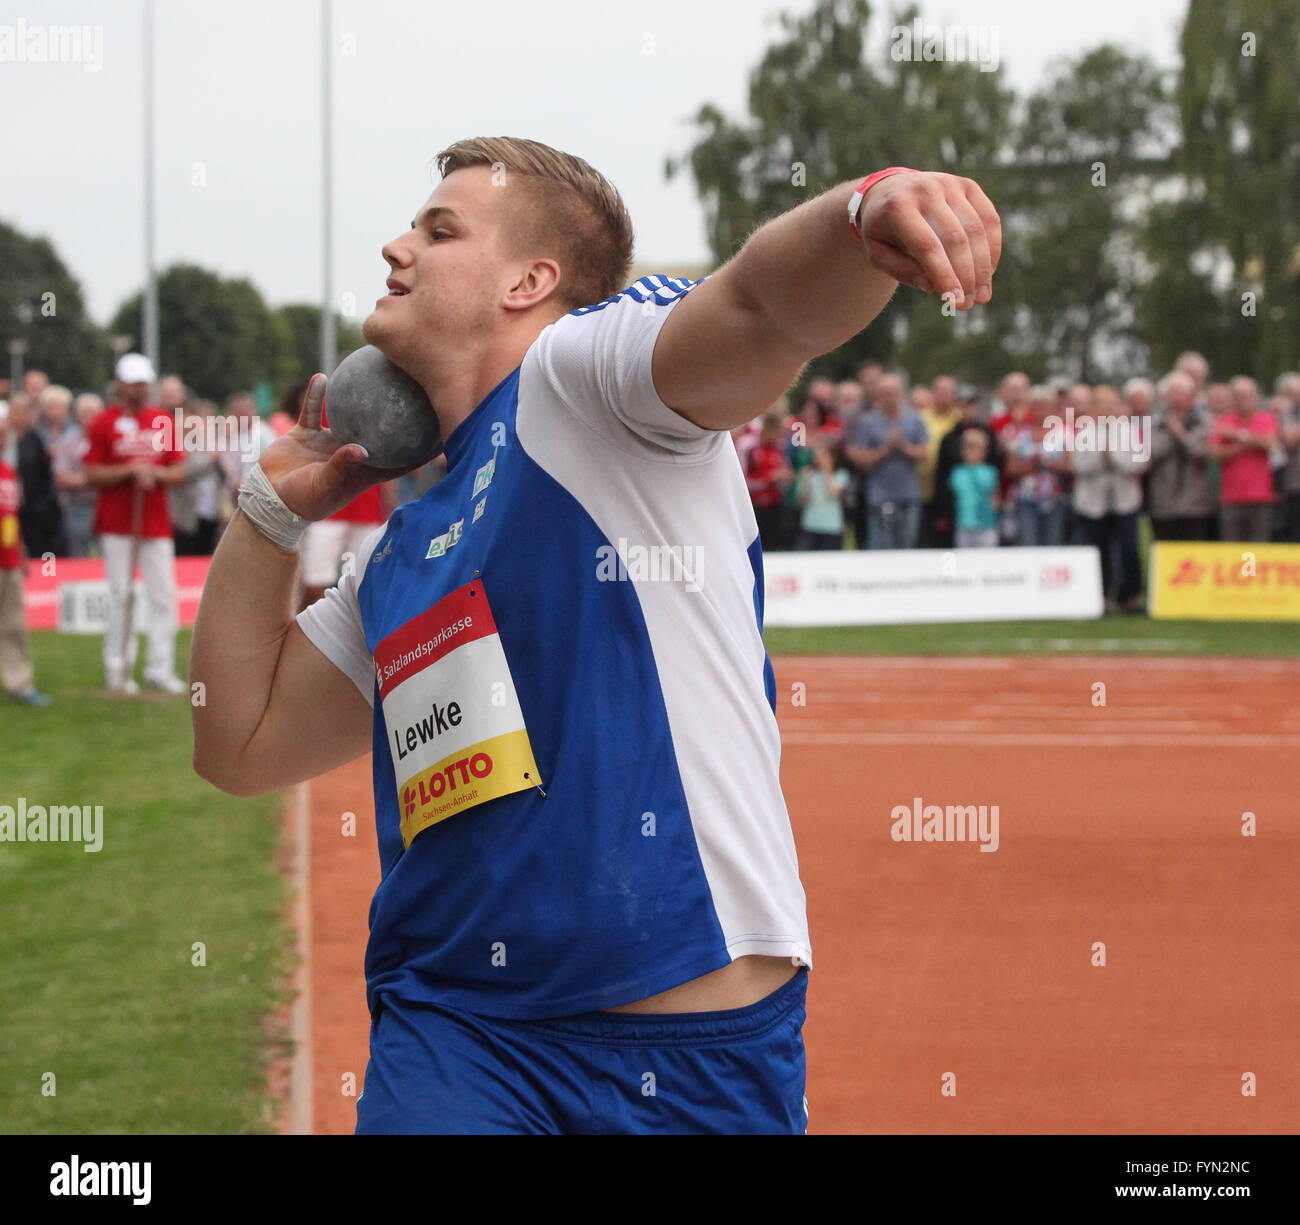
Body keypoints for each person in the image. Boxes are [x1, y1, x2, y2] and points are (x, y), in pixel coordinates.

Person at [190, 136, 1001, 1135]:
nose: (396, 247)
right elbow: (239, 740)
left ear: (532, 281)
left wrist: (865, 211)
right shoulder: (401, 560)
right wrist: (267, 515)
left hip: (691, 1053)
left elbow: (757, 307)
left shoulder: (585, 375)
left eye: (439, 229)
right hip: (457, 1032)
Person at [84, 353, 189, 695]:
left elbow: (179, 470)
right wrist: (128, 471)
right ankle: (119, 668)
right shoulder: (103, 422)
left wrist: (154, 473)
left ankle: (160, 668)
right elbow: (92, 473)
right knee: (121, 595)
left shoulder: (161, 420)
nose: (140, 389)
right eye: (133, 383)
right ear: (120, 385)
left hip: (155, 522)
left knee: (163, 596)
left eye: (144, 382)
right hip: (117, 523)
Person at [844, 372, 929, 549]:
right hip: (879, 497)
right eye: (885, 393)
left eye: (893, 392)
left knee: (907, 547)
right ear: (879, 395)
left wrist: (903, 446)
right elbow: (861, 459)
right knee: (880, 550)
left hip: (908, 496)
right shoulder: (868, 421)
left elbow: (925, 453)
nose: (889, 397)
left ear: (901, 393)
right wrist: (886, 449)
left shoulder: (915, 419)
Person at [0, 407, 49, 704]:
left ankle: (19, 683)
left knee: (14, 624)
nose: (3, 433)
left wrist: (20, 551)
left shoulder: (7, 471)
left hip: (8, 562)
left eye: (4, 428)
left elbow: (10, 516)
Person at [1210, 376, 1276, 542]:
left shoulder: (1266, 418)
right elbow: (1215, 454)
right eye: (1238, 396)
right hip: (1230, 498)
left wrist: (1238, 435)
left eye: (1246, 396)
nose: (1242, 401)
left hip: (1261, 497)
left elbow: (1269, 444)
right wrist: (1250, 442)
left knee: (1259, 549)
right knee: (1232, 550)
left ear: (1255, 396)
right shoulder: (1223, 421)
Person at [1148, 371, 1213, 540]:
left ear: (1192, 397)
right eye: (1171, 394)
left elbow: (1202, 454)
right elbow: (1151, 453)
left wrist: (1181, 435)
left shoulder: (1204, 421)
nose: (1175, 399)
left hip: (1195, 505)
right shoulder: (1155, 422)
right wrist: (1170, 435)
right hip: (1163, 504)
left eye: (1180, 394)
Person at [745, 409, 794, 551]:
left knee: (777, 545)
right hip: (757, 507)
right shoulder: (753, 450)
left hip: (776, 507)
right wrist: (769, 478)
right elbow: (747, 481)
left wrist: (785, 478)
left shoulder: (780, 451)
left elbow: (787, 475)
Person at [794, 429, 848, 549]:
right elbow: (801, 501)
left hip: (831, 527)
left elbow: (832, 493)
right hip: (810, 525)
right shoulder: (809, 474)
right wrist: (805, 483)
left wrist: (826, 471)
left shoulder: (841, 475)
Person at [948, 428, 1000, 547]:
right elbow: (953, 498)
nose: (970, 452)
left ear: (984, 451)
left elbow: (995, 497)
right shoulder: (957, 473)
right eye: (967, 447)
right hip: (964, 525)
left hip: (987, 526)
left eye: (974, 448)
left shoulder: (990, 472)